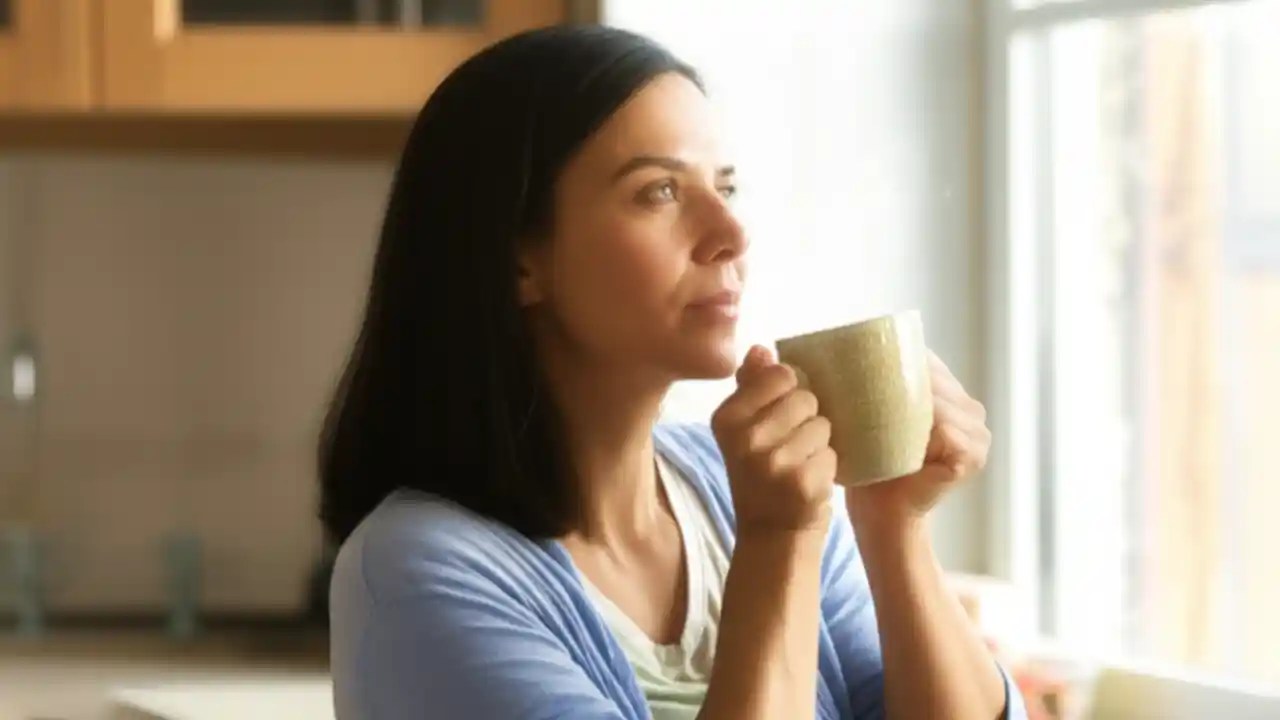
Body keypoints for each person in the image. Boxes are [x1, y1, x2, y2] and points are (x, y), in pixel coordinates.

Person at [322, 24, 1028, 720]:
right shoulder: (416, 569)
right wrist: (778, 545)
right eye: (658, 192)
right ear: (517, 261)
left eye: (724, 186)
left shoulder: (738, 488)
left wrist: (892, 523)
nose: (731, 232)